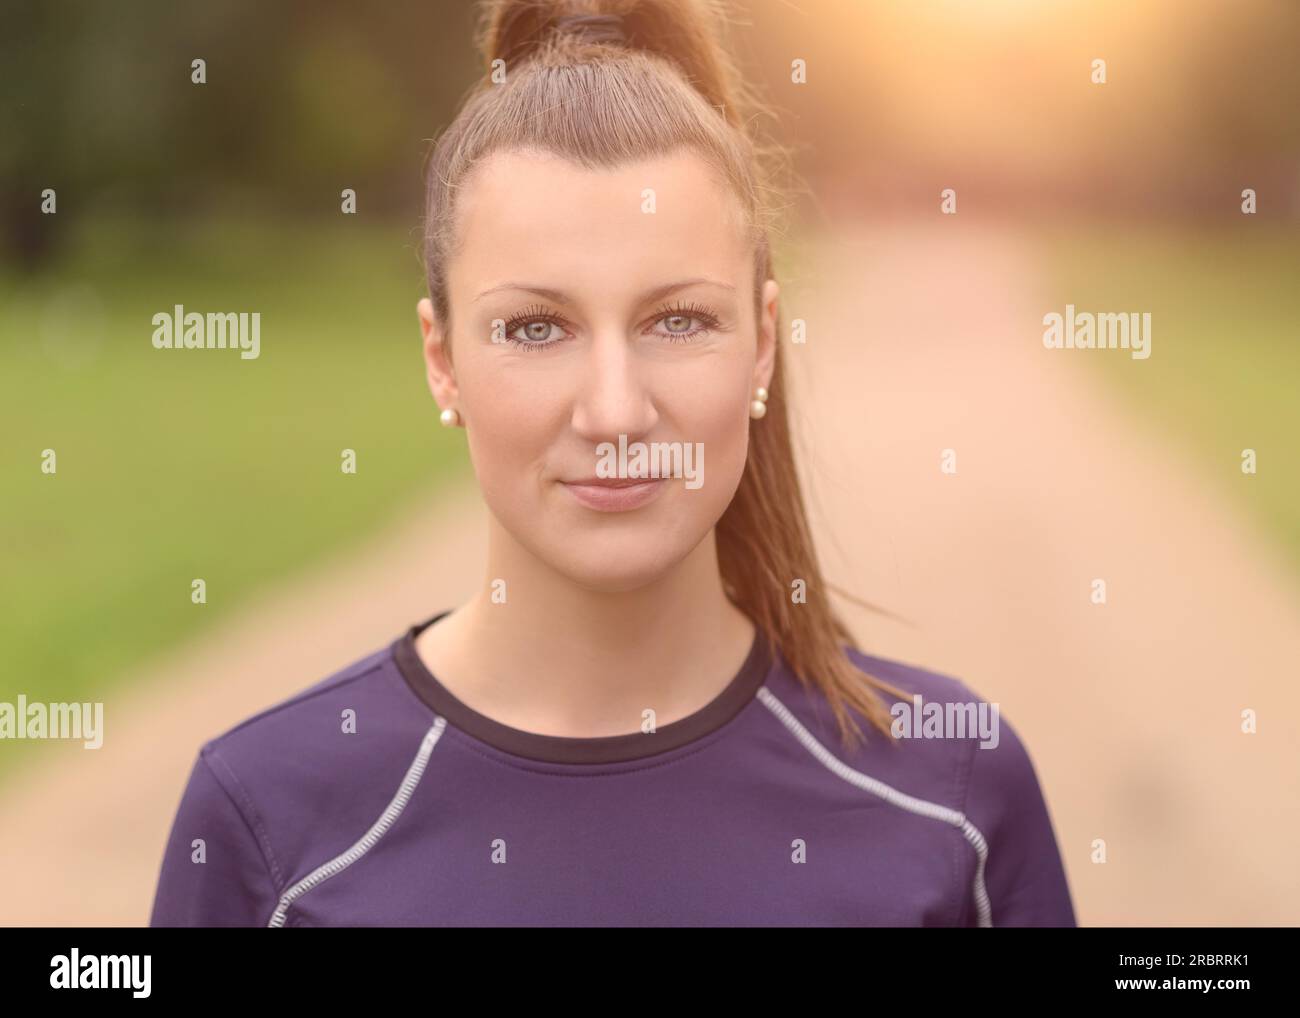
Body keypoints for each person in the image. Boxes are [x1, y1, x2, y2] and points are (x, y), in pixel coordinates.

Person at [149, 0, 1076, 927]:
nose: (616, 412)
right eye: (535, 328)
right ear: (442, 360)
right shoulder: (269, 826)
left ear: (761, 346)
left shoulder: (953, 795)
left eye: (678, 321)